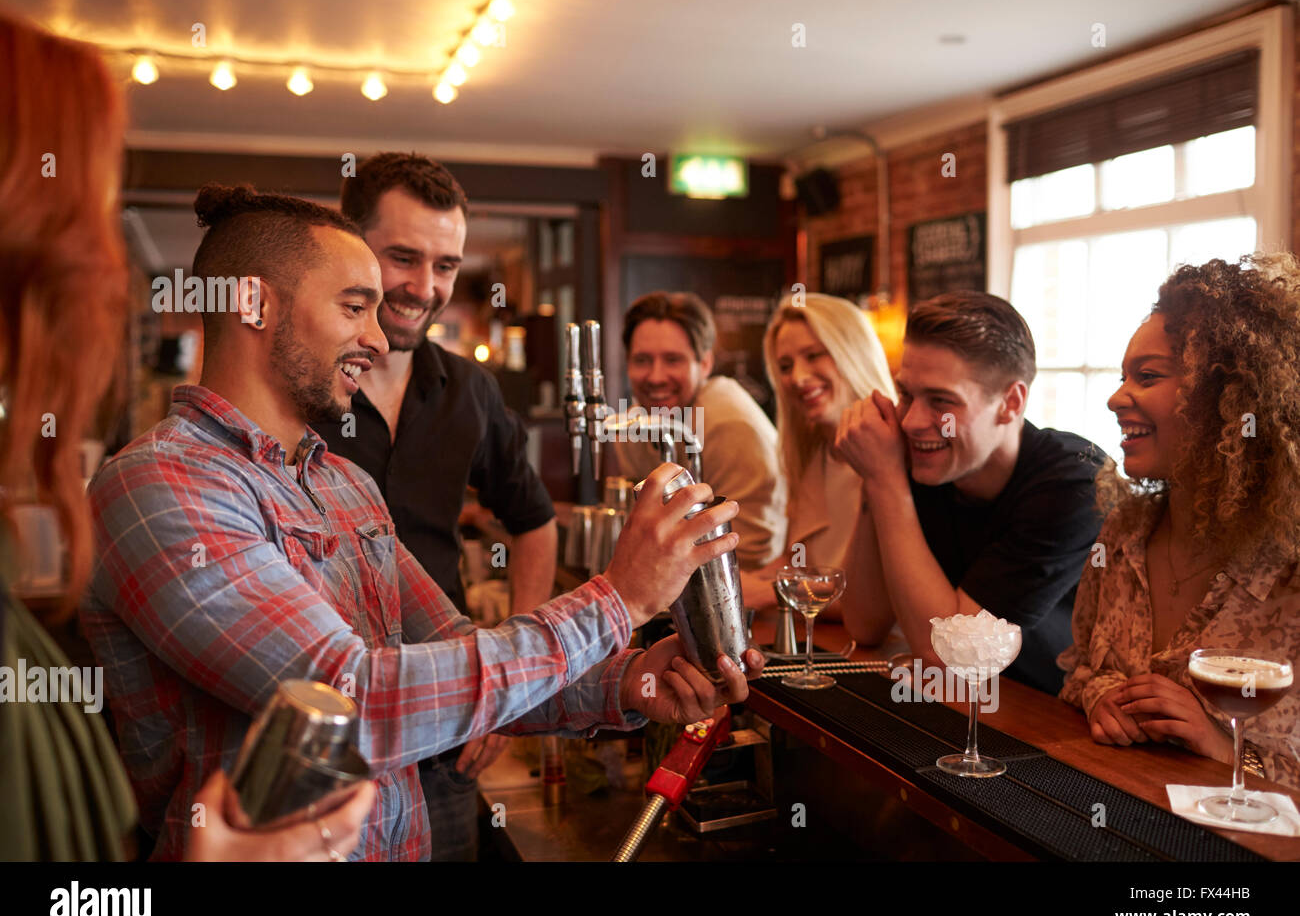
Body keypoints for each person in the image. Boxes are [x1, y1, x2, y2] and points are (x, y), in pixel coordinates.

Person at [81, 182, 762, 861]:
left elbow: (453, 653)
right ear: (254, 303)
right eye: (354, 308)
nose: (377, 341)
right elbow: (353, 708)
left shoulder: (344, 485)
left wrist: (628, 680)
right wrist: (619, 598)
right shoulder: (156, 485)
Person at [0, 10, 374, 861]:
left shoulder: (345, 479)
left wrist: (612, 678)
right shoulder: (158, 484)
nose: (105, 265)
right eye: (79, 217)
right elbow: (361, 693)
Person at [317, 153, 554, 858]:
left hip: (447, 718)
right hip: (326, 722)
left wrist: (514, 695)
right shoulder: (301, 384)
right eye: (403, 258)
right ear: (351, 245)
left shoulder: (468, 391)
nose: (425, 287)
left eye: (446, 265)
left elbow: (534, 522)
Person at [1059, 255, 1300, 789]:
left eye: (1146, 377)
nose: (1115, 397)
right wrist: (1099, 697)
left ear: (1228, 395)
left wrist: (1220, 747)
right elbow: (1079, 670)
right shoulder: (1122, 531)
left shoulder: (1291, 567)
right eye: (1123, 377)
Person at [836, 291, 1105, 693]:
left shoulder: (1074, 478)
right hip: (969, 711)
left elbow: (953, 657)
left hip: (1054, 718)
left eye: (941, 401)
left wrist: (885, 481)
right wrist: (875, 478)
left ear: (1010, 403)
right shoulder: (921, 458)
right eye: (907, 393)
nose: (910, 421)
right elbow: (864, 624)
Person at [740, 292, 894, 612]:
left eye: (814, 355)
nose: (797, 377)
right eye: (785, 366)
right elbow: (799, 561)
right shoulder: (813, 452)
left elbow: (881, 598)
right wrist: (737, 583)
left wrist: (771, 593)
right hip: (823, 641)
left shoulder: (893, 452)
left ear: (853, 353)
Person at [609, 291, 785, 570]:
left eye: (672, 360)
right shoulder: (635, 426)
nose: (655, 377)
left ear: (705, 364)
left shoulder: (730, 426)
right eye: (642, 360)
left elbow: (749, 556)